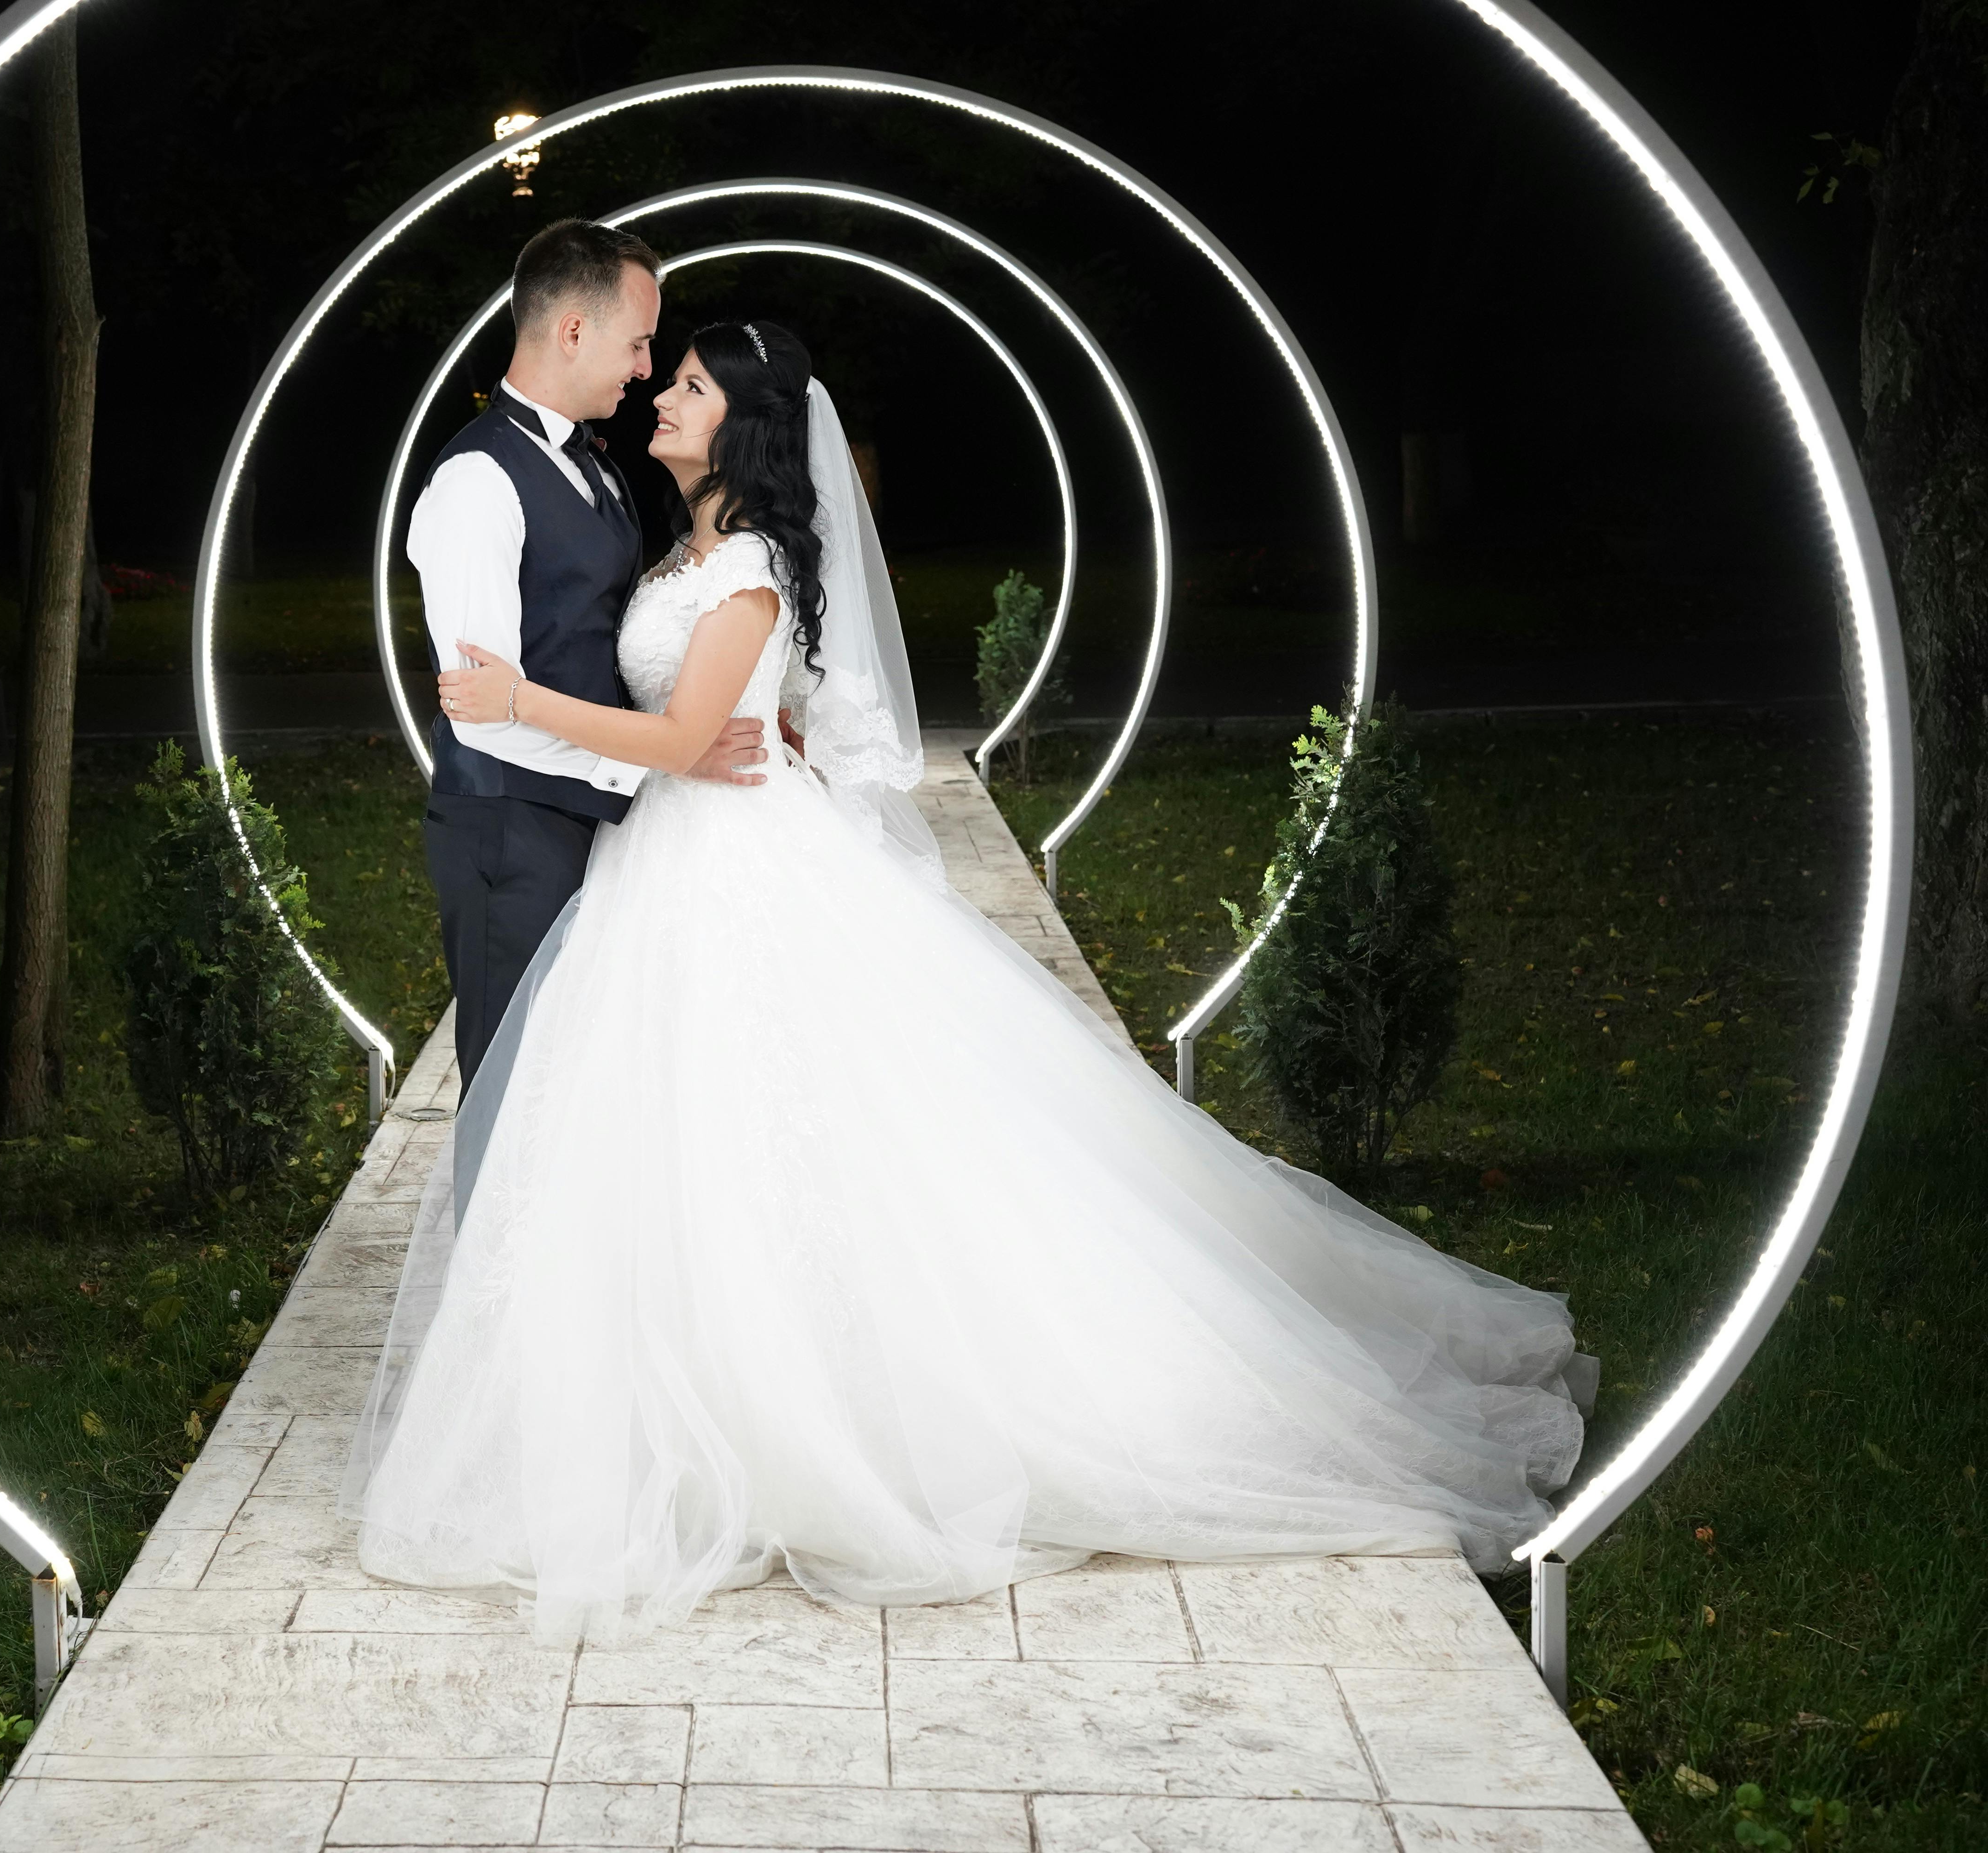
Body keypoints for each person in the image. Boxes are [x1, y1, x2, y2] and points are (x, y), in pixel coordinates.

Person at [340, 315, 1600, 1652]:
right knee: (671, 1142)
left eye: (691, 383)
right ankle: (661, 1400)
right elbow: (697, 728)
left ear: (747, 425)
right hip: (666, 862)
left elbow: (679, 733)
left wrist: (518, 702)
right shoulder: (687, 550)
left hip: (732, 866)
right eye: (666, 370)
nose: (662, 392)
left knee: (773, 1128)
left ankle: (809, 1418)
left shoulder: (755, 564)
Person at [410, 219, 770, 1088]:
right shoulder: (477, 483)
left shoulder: (603, 467)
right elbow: (486, 712)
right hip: (512, 833)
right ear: (575, 330)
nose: (647, 370)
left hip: (600, 831)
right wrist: (667, 764)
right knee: (511, 1091)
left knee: (584, 1104)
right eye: (639, 343)